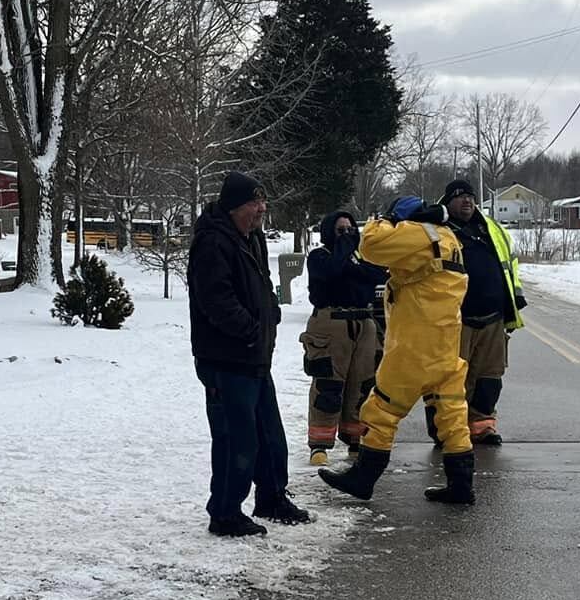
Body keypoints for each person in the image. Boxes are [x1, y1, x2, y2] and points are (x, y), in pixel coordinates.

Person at [318, 196, 476, 506]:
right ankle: (461, 485)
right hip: (445, 344)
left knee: (381, 410)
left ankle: (363, 478)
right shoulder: (448, 238)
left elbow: (370, 246)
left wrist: (385, 218)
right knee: (452, 415)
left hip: (414, 346)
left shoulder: (419, 235)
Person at [188, 172, 313, 535]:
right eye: (253, 203)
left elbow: (258, 286)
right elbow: (217, 301)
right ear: (233, 207)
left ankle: (271, 496)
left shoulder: (250, 238)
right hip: (227, 360)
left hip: (255, 357)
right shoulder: (213, 242)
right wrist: (251, 329)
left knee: (269, 434)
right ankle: (225, 512)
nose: (261, 209)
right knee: (235, 439)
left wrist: (269, 311)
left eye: (262, 202)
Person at [438, 178, 526, 445]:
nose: (467, 201)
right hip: (455, 319)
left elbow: (510, 262)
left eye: (471, 196)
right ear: (448, 201)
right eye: (460, 196)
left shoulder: (491, 228)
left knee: (490, 377)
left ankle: (482, 427)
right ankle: (448, 431)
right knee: (451, 380)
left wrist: (516, 294)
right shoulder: (437, 230)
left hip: (492, 318)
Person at [300, 210, 388, 466]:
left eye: (351, 230)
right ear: (329, 232)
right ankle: (320, 445)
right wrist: (347, 260)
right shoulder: (319, 256)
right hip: (331, 324)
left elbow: (377, 276)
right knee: (329, 385)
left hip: (363, 323)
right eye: (341, 231)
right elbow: (329, 273)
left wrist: (352, 264)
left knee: (362, 385)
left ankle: (355, 438)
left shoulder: (361, 257)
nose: (347, 235)